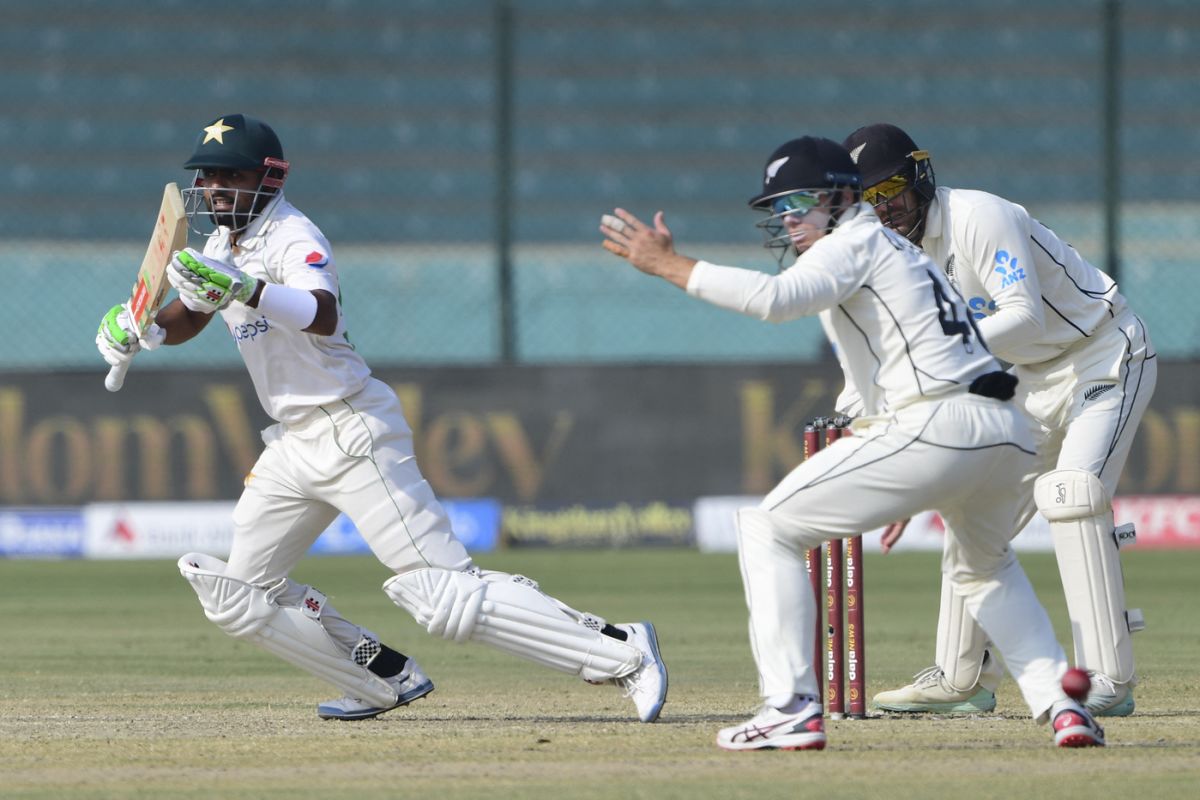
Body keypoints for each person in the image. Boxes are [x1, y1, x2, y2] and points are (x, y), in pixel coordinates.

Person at [95, 113, 667, 724]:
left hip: (351, 430)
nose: (211, 189)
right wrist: (145, 329)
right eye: (205, 177)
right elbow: (192, 312)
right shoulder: (221, 244)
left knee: (441, 593)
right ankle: (380, 675)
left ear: (267, 178)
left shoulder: (293, 236)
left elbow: (322, 315)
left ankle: (621, 649)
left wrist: (246, 289)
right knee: (242, 596)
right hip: (293, 444)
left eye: (226, 176)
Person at [599, 135, 1104, 750]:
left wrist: (668, 265)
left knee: (767, 529)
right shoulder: (896, 249)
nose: (788, 219)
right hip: (1003, 431)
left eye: (801, 203)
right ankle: (1061, 704)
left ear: (843, 196)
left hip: (941, 425)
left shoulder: (854, 241)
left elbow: (772, 299)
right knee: (985, 568)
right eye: (779, 208)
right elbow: (877, 378)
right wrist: (905, 480)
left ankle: (789, 706)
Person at [843, 123, 1154, 718]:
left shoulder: (979, 218)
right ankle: (961, 679)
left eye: (890, 192)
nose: (884, 210)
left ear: (919, 179)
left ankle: (1108, 680)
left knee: (1072, 494)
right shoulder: (890, 257)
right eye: (868, 200)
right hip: (1028, 382)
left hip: (1104, 355)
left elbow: (1024, 320)